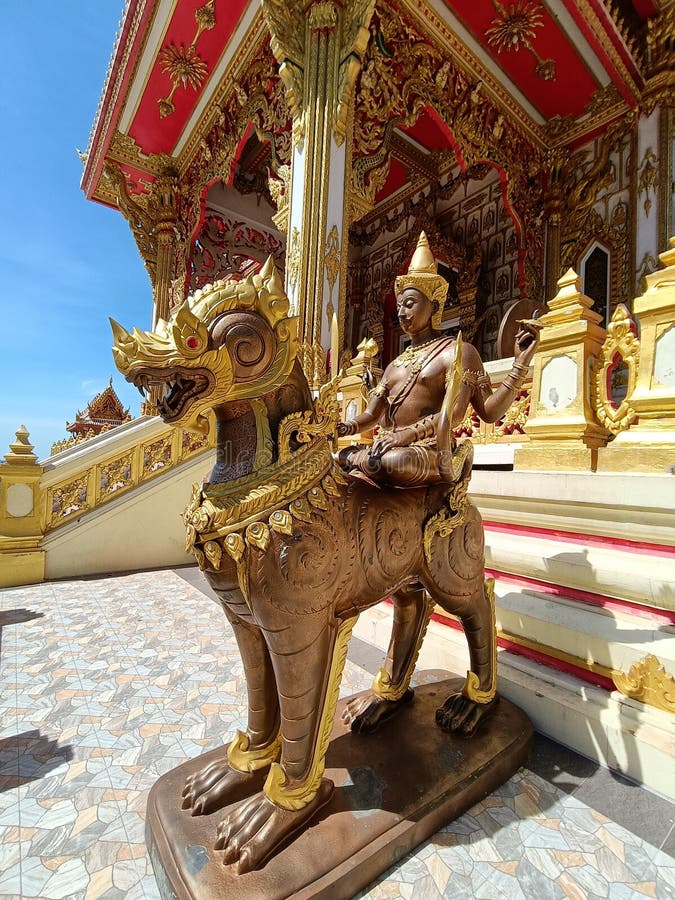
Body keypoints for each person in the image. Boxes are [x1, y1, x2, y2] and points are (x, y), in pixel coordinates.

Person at [337, 232, 539, 486]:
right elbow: (371, 414)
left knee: (392, 462)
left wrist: (520, 365)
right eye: (399, 306)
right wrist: (345, 428)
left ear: (433, 305)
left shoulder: (457, 352)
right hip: (390, 445)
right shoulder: (393, 365)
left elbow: (475, 413)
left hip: (429, 450)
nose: (401, 312)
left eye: (409, 304)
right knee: (338, 457)